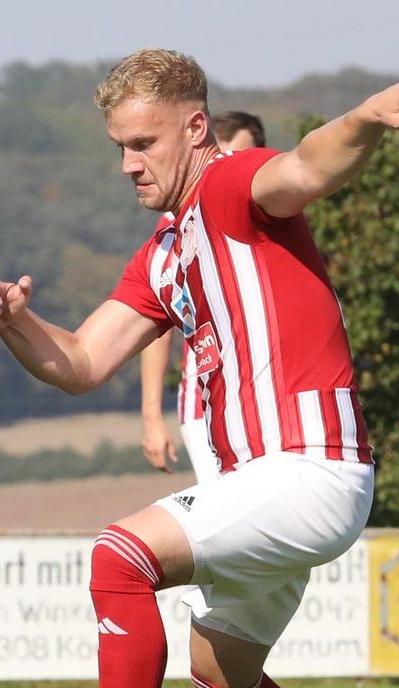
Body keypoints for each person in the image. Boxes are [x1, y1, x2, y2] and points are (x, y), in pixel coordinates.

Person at [0, 49, 399, 688]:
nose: (129, 163)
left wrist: (367, 117)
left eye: (144, 142)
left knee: (119, 557)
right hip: (263, 488)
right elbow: (80, 362)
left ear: (195, 129)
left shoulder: (230, 184)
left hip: (308, 468)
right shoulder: (164, 250)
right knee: (223, 682)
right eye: (119, 146)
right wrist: (16, 322)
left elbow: (302, 169)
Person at [138, 111, 267, 483]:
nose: (225, 168)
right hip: (208, 401)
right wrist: (151, 417)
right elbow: (156, 320)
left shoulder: (272, 214)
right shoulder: (176, 225)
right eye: (220, 155)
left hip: (270, 398)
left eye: (238, 158)